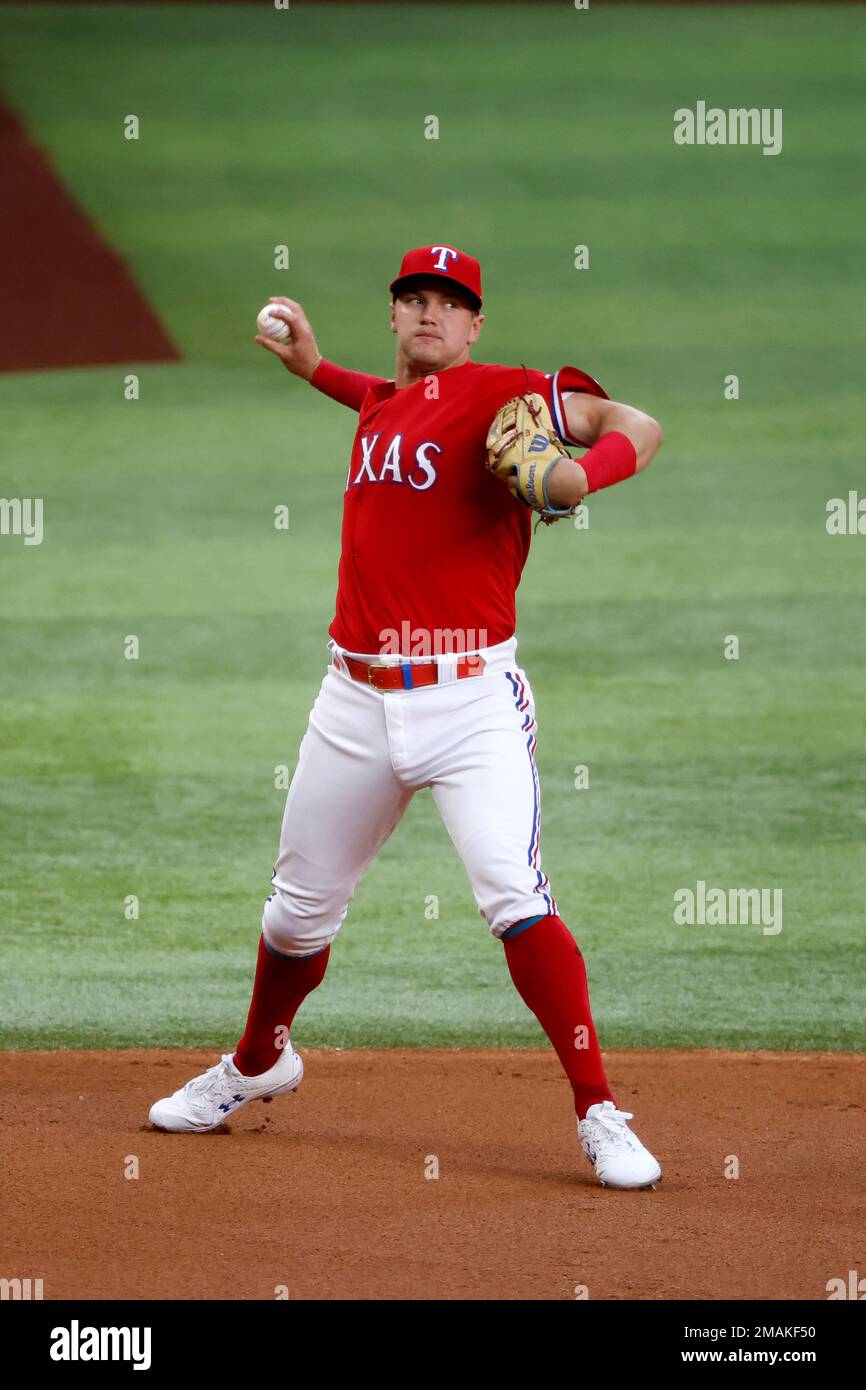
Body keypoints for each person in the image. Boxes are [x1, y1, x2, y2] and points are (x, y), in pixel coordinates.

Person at [149, 245, 665, 1190]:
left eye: (449, 303)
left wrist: (592, 475)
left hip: (471, 703)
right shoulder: (384, 404)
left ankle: (599, 1111)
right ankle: (260, 1061)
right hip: (351, 701)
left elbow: (638, 421)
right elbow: (380, 405)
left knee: (513, 891)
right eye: (413, 299)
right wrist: (313, 367)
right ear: (394, 317)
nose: (430, 313)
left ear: (475, 325)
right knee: (296, 912)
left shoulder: (509, 394)